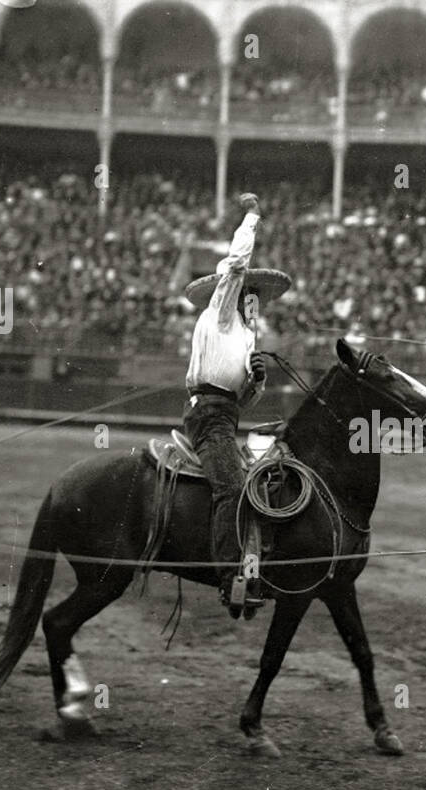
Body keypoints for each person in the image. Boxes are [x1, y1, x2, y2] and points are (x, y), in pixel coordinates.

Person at [179, 192, 291, 616]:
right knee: (231, 487)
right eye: (250, 295)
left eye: (257, 299)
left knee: (251, 478)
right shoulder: (220, 312)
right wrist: (252, 218)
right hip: (209, 415)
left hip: (224, 413)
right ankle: (230, 580)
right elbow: (236, 264)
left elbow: (243, 399)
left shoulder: (245, 338)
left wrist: (257, 382)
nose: (253, 302)